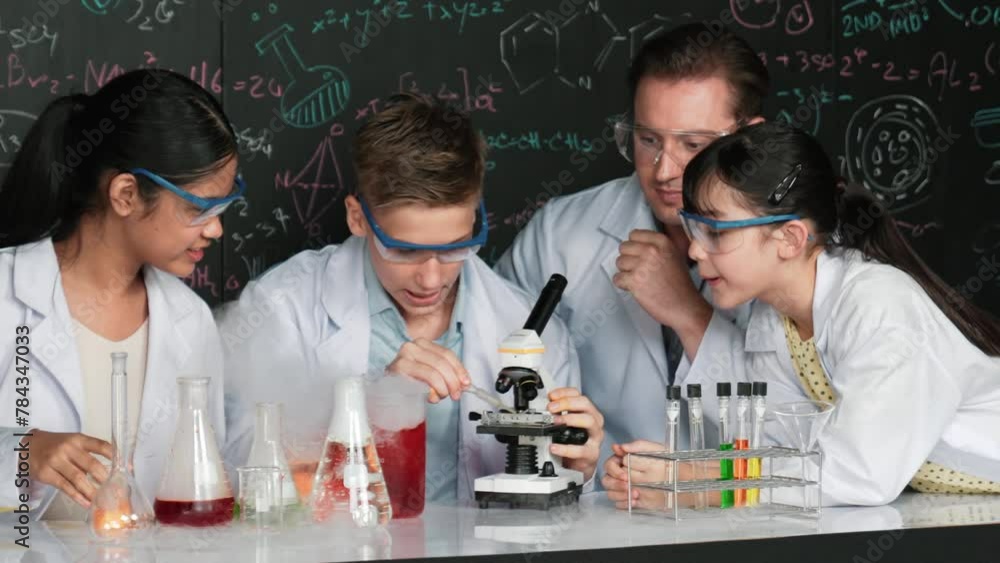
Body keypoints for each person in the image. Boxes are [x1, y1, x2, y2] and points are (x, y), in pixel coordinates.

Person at [219, 93, 604, 505]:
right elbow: (239, 472)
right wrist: (375, 404)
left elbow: (563, 512)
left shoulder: (531, 327)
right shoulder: (282, 307)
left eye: (455, 247)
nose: (431, 279)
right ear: (357, 218)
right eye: (405, 250)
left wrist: (576, 469)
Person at [606, 122, 1000, 508]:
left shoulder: (877, 304)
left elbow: (860, 474)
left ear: (790, 238)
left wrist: (698, 484)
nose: (694, 251)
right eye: (694, 227)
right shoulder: (776, 318)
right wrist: (680, 471)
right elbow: (785, 449)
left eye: (717, 232)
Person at [496, 23, 768, 470]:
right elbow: (496, 366)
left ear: (750, 140)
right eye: (648, 140)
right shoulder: (561, 233)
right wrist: (568, 456)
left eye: (693, 144)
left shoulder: (786, 245)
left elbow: (786, 426)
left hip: (742, 503)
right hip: (599, 501)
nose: (664, 171)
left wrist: (688, 313)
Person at [0, 69, 242, 520]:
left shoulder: (190, 320)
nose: (215, 230)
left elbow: (207, 482)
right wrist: (19, 451)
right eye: (198, 209)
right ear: (126, 194)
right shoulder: (6, 295)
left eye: (222, 208)